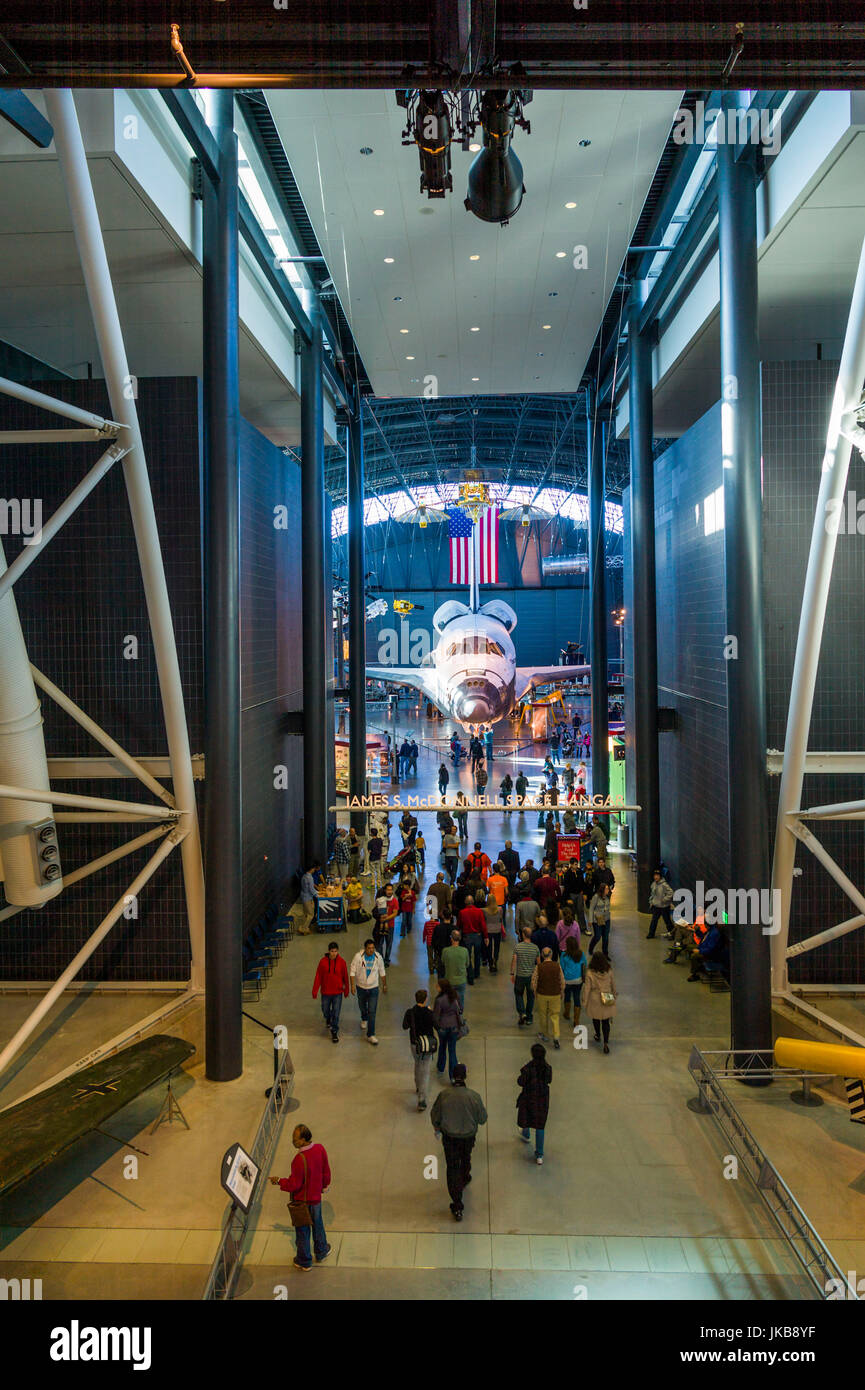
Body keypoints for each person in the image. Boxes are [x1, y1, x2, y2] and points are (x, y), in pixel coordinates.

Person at [430, 1062, 488, 1222]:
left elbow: (435, 1116)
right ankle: (465, 1175)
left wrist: (437, 1128)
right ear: (465, 1076)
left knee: (452, 1166)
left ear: (453, 1076)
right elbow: (483, 1119)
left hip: (450, 1137)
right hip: (468, 1136)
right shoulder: (474, 1096)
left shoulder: (444, 1095)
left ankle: (457, 1203)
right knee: (466, 1156)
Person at [269, 1124, 331, 1271]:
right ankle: (321, 1251)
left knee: (302, 1231)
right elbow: (326, 1171)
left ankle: (304, 1261)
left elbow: (293, 1185)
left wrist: (279, 1181)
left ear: (303, 1140)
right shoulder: (320, 1149)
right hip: (315, 1198)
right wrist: (324, 1185)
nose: (293, 1141)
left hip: (302, 1203)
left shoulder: (298, 1159)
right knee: (318, 1225)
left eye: (295, 1139)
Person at [517, 1042, 552, 1165]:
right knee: (540, 1125)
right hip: (542, 1099)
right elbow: (549, 1080)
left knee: (525, 1117)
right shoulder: (547, 1068)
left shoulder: (528, 1068)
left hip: (529, 1097)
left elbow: (520, 1082)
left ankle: (525, 1134)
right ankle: (539, 1155)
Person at [403, 987, 437, 1111]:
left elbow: (404, 1026)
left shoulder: (410, 1012)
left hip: (415, 1044)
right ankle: (422, 1099)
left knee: (417, 1063)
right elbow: (437, 1026)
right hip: (427, 1045)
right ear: (425, 999)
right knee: (425, 1070)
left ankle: (417, 1085)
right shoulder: (429, 1013)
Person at [350, 938, 387, 1045]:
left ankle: (371, 1034)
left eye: (372, 948)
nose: (371, 950)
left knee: (372, 1011)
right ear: (365, 948)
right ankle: (364, 1018)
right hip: (360, 987)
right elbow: (352, 971)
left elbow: (382, 971)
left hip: (373, 988)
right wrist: (352, 985)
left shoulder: (378, 957)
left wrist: (384, 984)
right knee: (362, 1006)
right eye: (369, 948)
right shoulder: (358, 957)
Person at [311, 941, 350, 1043]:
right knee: (325, 1010)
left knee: (336, 1013)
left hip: (337, 993)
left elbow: (345, 977)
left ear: (338, 951)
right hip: (326, 992)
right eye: (332, 951)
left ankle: (334, 1032)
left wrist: (346, 990)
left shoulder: (342, 962)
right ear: (328, 951)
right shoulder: (322, 962)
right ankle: (328, 1018)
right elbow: (318, 977)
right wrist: (315, 990)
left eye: (336, 951)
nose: (334, 953)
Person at [581, 948, 617, 1052]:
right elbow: (613, 984)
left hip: (595, 998)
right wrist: (614, 994)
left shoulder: (590, 973)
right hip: (607, 996)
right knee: (606, 1021)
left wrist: (584, 1000)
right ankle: (606, 1043)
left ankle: (597, 1035)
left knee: (595, 1018)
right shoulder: (609, 970)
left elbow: (587, 988)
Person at [531, 945, 565, 1048]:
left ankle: (545, 1035)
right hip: (555, 994)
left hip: (542, 994)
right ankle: (556, 1036)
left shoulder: (539, 967)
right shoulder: (557, 966)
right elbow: (562, 980)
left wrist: (535, 992)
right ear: (552, 955)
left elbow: (534, 982)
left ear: (542, 955)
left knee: (543, 1015)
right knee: (555, 1016)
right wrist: (562, 991)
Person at [432, 977, 463, 1082]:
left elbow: (436, 1016)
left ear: (442, 988)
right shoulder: (455, 996)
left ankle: (441, 1067)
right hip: (454, 1027)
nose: (436, 987)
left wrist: (437, 1027)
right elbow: (461, 1009)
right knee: (452, 1050)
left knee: (442, 1047)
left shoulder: (439, 1000)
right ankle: (453, 1076)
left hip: (443, 1028)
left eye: (438, 986)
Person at [511, 925, 540, 1027]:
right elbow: (538, 964)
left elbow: (514, 961)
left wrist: (512, 973)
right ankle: (529, 1017)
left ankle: (522, 1013)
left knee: (518, 994)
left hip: (520, 976)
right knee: (530, 997)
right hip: (531, 977)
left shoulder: (518, 947)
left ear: (523, 935)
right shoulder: (535, 948)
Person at [458, 893, 487, 984]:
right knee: (477, 955)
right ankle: (477, 973)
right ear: (473, 902)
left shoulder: (462, 912)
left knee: (468, 956)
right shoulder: (479, 911)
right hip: (477, 936)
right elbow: (483, 925)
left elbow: (459, 925)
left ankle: (470, 974)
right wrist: (486, 936)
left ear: (465, 902)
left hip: (467, 936)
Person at [441, 929, 469, 1011]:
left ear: (451, 939)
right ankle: (460, 1016)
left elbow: (443, 962)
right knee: (461, 1000)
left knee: (449, 1000)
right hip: (461, 981)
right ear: (459, 939)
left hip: (449, 980)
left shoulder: (445, 951)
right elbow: (467, 964)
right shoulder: (465, 951)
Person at [561, 935, 587, 1026]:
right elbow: (585, 965)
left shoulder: (564, 955)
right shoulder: (581, 954)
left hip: (567, 980)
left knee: (567, 996)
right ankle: (576, 1020)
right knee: (576, 998)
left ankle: (567, 1013)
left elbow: (562, 968)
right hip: (578, 980)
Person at [647, 867, 674, 939]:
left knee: (667, 921)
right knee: (654, 920)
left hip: (664, 906)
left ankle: (672, 934)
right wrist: (651, 901)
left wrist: (664, 900)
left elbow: (671, 893)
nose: (656, 877)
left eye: (657, 875)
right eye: (654, 875)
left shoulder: (664, 885)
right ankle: (651, 933)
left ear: (660, 876)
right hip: (656, 906)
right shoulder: (653, 884)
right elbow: (652, 894)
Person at [378, 881, 399, 965]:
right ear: (385, 890)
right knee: (379, 943)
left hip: (390, 926)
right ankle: (381, 959)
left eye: (391, 890)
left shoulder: (394, 901)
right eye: (388, 890)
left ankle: (386, 959)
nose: (389, 891)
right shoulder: (381, 900)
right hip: (380, 925)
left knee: (389, 943)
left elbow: (395, 913)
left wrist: (386, 918)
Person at [483, 892, 505, 974]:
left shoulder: (484, 910)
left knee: (489, 947)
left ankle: (490, 961)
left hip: (488, 930)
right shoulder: (500, 909)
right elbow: (501, 919)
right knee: (497, 946)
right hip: (497, 930)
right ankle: (495, 960)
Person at [296, 862, 320, 934]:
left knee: (306, 913)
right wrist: (318, 895)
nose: (314, 870)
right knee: (311, 914)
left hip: (303, 896)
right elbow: (311, 889)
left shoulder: (304, 876)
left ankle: (305, 928)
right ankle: (303, 928)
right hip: (307, 898)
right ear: (311, 869)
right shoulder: (310, 878)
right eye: (313, 869)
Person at [589, 881, 612, 956]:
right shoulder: (596, 897)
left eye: (608, 889)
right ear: (602, 890)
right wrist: (590, 920)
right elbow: (591, 908)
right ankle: (591, 948)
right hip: (597, 920)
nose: (608, 890)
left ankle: (605, 953)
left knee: (606, 937)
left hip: (607, 919)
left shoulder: (608, 896)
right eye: (606, 889)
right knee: (598, 936)